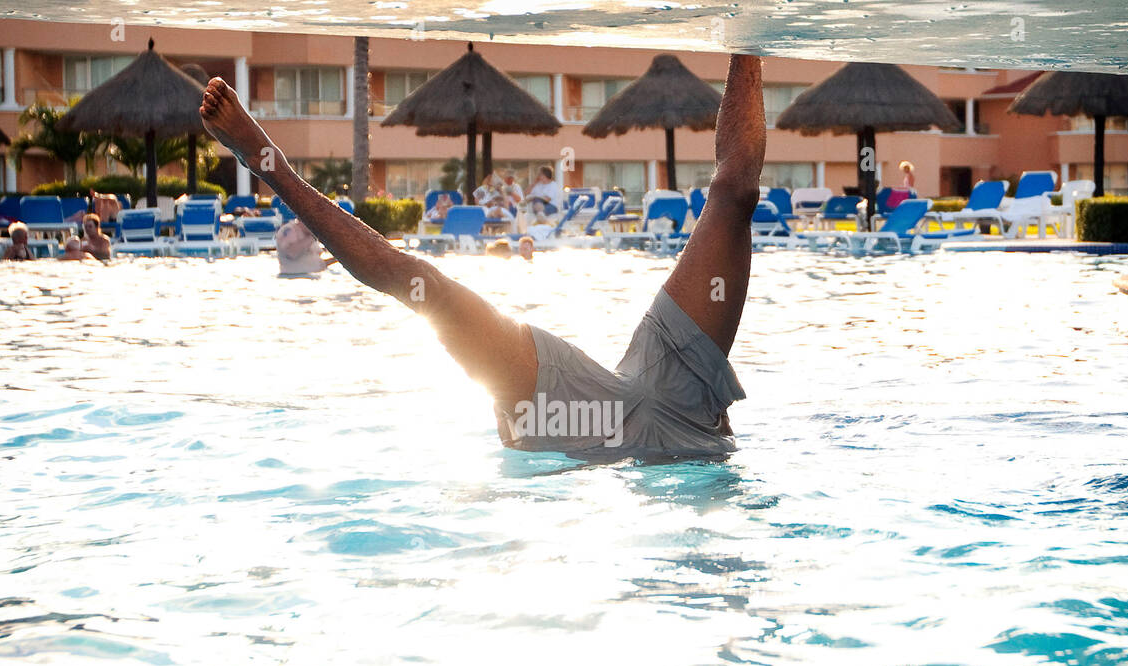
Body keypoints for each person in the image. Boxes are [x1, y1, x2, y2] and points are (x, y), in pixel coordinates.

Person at [198, 52, 762, 458]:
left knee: (736, 189)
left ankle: (749, 32)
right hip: (559, 417)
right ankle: (265, 160)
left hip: (670, 403)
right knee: (424, 287)